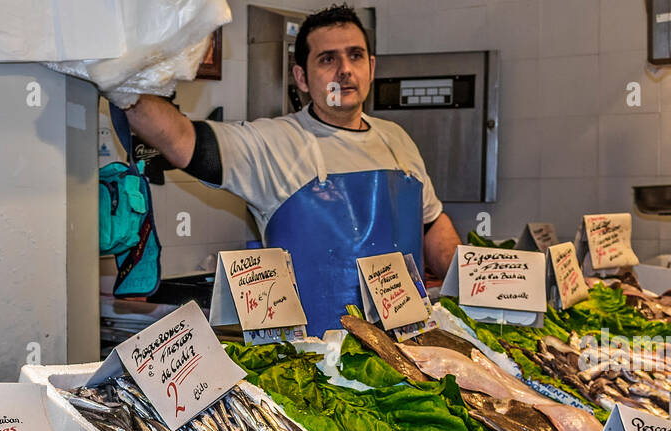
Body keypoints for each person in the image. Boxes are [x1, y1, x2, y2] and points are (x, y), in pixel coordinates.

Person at [124, 3, 459, 335]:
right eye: (328, 59)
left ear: (371, 67)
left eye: (355, 56)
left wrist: (468, 288)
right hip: (316, 364)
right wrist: (119, 86)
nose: (344, 70)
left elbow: (431, 225)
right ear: (301, 76)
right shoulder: (275, 142)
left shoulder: (398, 140)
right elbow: (184, 141)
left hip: (409, 350)